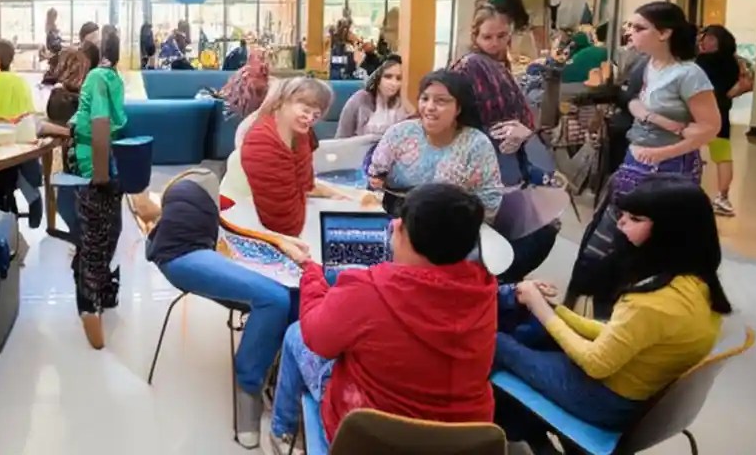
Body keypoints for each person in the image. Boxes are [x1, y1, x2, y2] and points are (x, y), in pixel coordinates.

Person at [495, 177, 731, 455]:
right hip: (633, 392)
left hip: (606, 401)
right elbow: (618, 335)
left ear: (670, 231)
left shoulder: (652, 302)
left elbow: (596, 363)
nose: (620, 223)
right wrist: (555, 310)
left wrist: (542, 309)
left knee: (495, 342)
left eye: (635, 218)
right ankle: (530, 431)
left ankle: (494, 431)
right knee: (533, 331)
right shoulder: (697, 285)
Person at [268, 183, 498, 452]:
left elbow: (317, 338)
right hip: (460, 442)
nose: (395, 223)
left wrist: (310, 272)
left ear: (410, 238)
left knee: (297, 333)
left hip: (369, 439)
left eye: (404, 222)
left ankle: (281, 432)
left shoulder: (369, 290)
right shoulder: (484, 289)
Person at [569, 2, 719, 316]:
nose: (630, 33)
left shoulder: (689, 74)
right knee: (608, 237)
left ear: (664, 33)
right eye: (631, 27)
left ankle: (635, 316)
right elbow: (635, 104)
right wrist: (657, 120)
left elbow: (709, 128)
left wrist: (661, 152)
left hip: (668, 170)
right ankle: (598, 309)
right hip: (635, 163)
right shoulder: (649, 66)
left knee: (651, 243)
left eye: (639, 28)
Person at [147, 168, 303, 448]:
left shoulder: (211, 191)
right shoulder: (208, 187)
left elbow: (239, 228)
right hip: (181, 252)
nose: (310, 119)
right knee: (275, 298)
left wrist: (281, 241)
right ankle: (249, 384)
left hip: (196, 236)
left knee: (294, 295)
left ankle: (273, 370)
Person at [452, 0, 561, 283]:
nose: (495, 43)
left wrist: (523, 133)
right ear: (475, 36)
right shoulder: (471, 66)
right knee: (499, 230)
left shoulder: (500, 65)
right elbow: (462, 118)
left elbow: (520, 116)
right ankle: (492, 289)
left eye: (501, 36)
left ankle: (498, 289)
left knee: (528, 227)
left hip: (511, 158)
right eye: (487, 37)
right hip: (484, 159)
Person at [368, 70, 503, 218]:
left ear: (458, 108)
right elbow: (374, 180)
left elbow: (490, 201)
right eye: (424, 99)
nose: (430, 107)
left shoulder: (476, 145)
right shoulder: (399, 134)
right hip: (396, 218)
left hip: (453, 226)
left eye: (441, 101)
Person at [68, 25, 128, 349]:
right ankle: (93, 298)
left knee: (103, 232)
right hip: (97, 164)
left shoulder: (101, 77)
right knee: (101, 232)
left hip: (99, 165)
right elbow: (97, 121)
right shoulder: (105, 78)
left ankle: (95, 295)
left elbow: (103, 123)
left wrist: (103, 173)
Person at [239, 77, 346, 237]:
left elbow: (304, 184)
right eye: (305, 111)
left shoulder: (300, 133)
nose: (310, 119)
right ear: (283, 102)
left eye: (315, 115)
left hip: (289, 228)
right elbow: (280, 218)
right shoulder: (262, 141)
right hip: (258, 229)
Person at [0, 38, 43, 224]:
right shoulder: (19, 81)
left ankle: (3, 218)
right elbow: (29, 112)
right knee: (14, 173)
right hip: (22, 141)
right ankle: (31, 198)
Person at [335, 56, 411, 171]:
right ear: (377, 77)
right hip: (355, 164)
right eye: (388, 77)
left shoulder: (402, 106)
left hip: (388, 169)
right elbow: (340, 140)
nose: (393, 83)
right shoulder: (360, 99)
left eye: (398, 78)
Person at [696, 25, 741, 216]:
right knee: (723, 156)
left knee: (687, 151)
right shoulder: (733, 62)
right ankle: (723, 198)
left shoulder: (703, 61)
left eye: (708, 38)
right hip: (722, 113)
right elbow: (734, 89)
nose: (704, 41)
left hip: (700, 113)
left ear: (717, 41)